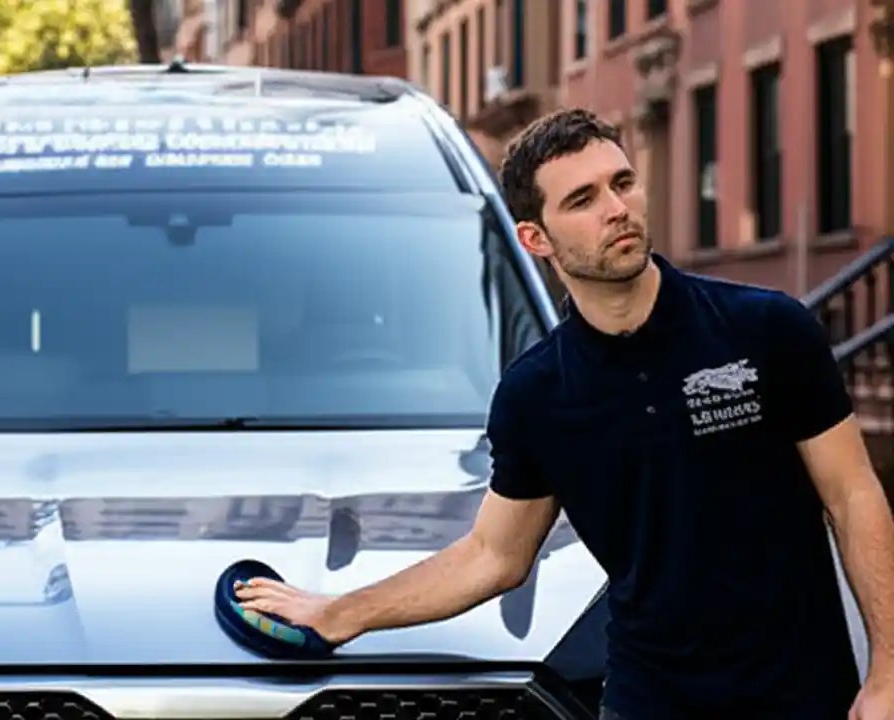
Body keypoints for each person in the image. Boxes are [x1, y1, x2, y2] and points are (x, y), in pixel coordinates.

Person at [234, 108, 894, 720]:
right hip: (649, 701)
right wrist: (342, 613)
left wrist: (888, 673)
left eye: (622, 183)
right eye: (583, 200)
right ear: (535, 237)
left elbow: (853, 496)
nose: (617, 209)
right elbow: (493, 556)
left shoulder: (767, 330)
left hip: (803, 697)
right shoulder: (537, 394)